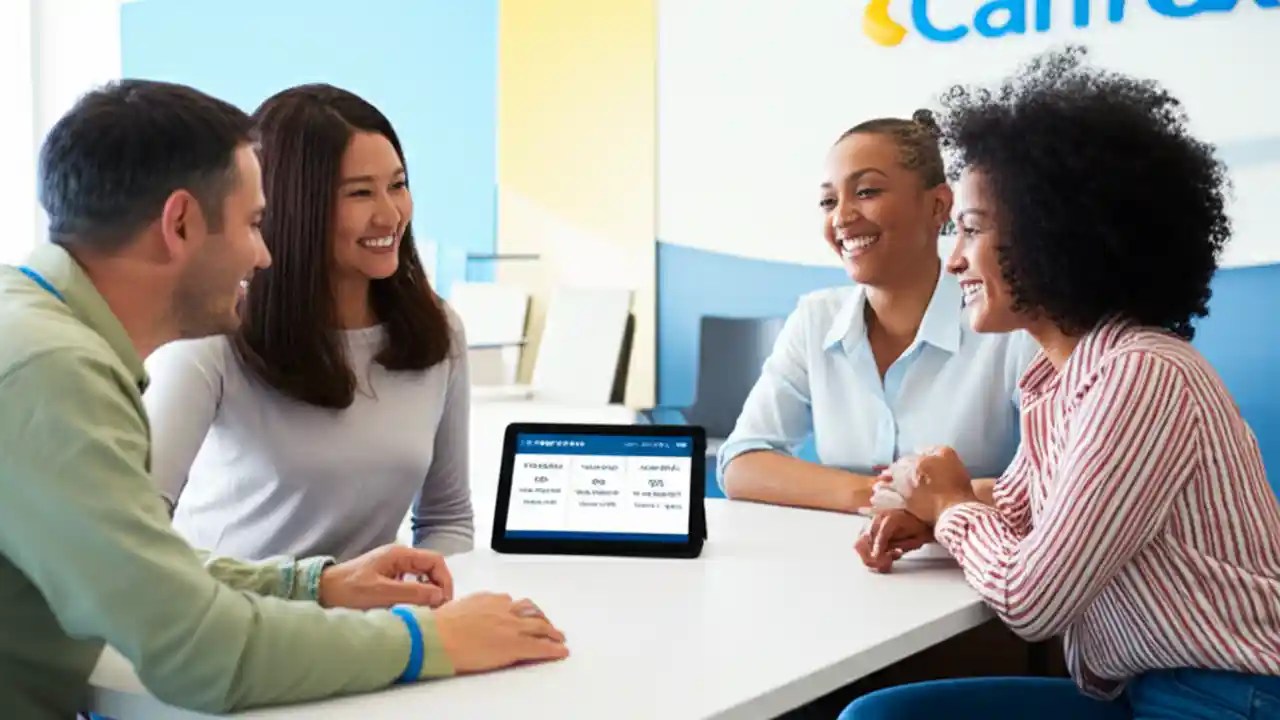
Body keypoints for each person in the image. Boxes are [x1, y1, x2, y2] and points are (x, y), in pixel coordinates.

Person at [0, 80, 567, 720]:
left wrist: (311, 584)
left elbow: (135, 559)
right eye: (252, 222)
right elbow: (204, 651)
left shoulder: (35, 339)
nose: (263, 252)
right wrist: (427, 640)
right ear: (180, 223)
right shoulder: (52, 375)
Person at [850, 46, 1280, 718]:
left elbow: (1033, 600)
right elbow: (1026, 504)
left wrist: (953, 510)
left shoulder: (1141, 375)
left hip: (1230, 698)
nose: (955, 258)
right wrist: (931, 513)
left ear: (1056, 235)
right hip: (1155, 692)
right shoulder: (1064, 375)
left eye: (970, 229)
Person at [144, 84, 472, 563]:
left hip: (369, 629)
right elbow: (135, 528)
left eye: (397, 185)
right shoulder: (211, 341)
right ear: (295, 205)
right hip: (239, 625)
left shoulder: (439, 331)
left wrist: (428, 602)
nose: (390, 214)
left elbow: (448, 520)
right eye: (360, 193)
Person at [718, 112, 1037, 513]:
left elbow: (1047, 486)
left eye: (866, 192)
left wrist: (921, 504)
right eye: (828, 201)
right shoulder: (816, 318)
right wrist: (880, 495)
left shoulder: (1008, 325)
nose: (842, 217)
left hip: (964, 565)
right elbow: (741, 463)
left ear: (939, 205)